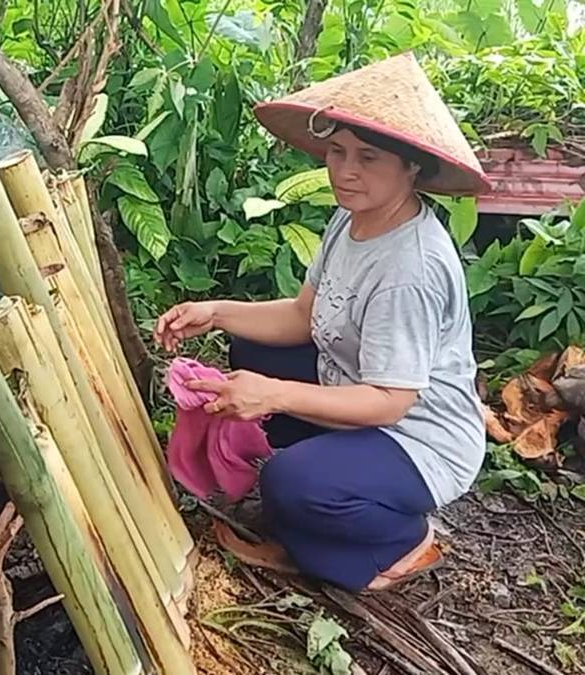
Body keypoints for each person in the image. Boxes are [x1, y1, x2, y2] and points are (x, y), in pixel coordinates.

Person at [152, 52, 491, 593]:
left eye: (369, 157)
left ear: (412, 169)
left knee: (289, 484)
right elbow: (302, 316)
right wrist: (215, 312)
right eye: (337, 151)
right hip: (359, 390)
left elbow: (390, 401)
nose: (345, 171)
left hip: (418, 437)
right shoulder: (352, 216)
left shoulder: (411, 268)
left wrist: (277, 396)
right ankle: (330, 482)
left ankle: (400, 538)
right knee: (252, 350)